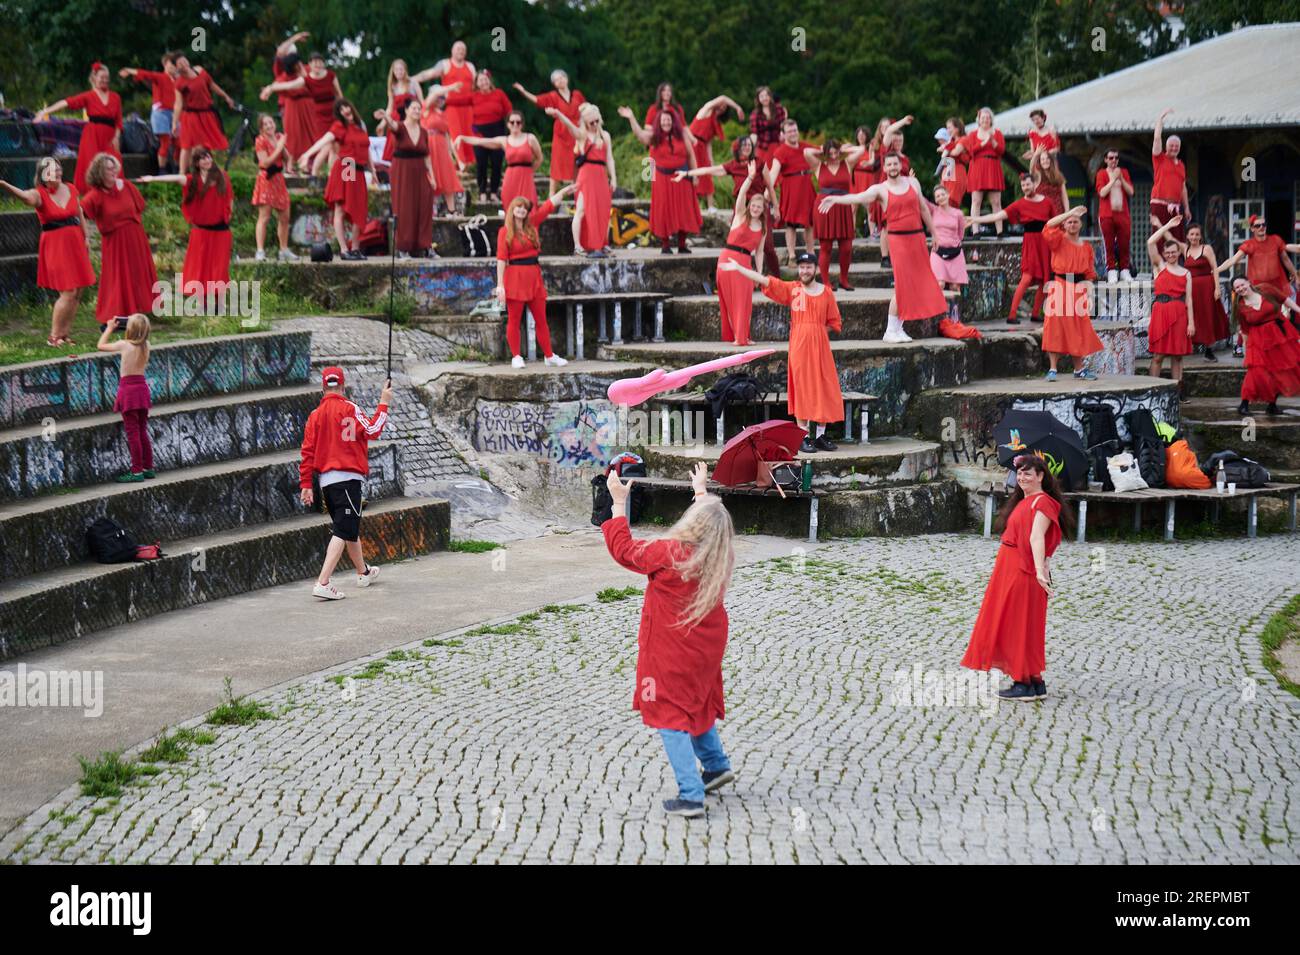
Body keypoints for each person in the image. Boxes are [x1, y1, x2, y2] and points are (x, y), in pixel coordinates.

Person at [602, 461, 737, 819]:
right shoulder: (718, 554)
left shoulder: (668, 553)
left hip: (672, 647)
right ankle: (716, 765)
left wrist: (617, 504)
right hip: (706, 645)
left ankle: (691, 794)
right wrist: (702, 492)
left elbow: (625, 552)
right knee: (697, 699)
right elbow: (709, 524)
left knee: (670, 712)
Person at [960, 452, 1074, 702]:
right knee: (1021, 624)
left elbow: (1037, 538)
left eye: (1028, 473)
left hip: (1022, 570)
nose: (1022, 477)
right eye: (1020, 473)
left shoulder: (1041, 502)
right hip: (1010, 568)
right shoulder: (1024, 501)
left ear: (1041, 476)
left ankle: (1023, 682)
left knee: (1019, 625)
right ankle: (1034, 683)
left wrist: (1040, 571)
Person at [720, 251, 843, 452]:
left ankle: (820, 436)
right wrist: (740, 268)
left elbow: (834, 322)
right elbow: (768, 281)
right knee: (803, 388)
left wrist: (815, 331)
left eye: (808, 267)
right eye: (801, 267)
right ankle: (803, 436)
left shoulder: (826, 292)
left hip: (821, 348)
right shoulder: (793, 290)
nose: (804, 271)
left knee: (824, 386)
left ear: (815, 269)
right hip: (799, 348)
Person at [820, 153, 947, 343]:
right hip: (898, 241)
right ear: (885, 168)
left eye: (895, 163)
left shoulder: (913, 183)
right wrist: (835, 200)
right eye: (889, 165)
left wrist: (935, 234)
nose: (893, 167)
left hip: (917, 237)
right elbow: (858, 197)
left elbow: (923, 209)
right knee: (903, 285)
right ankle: (890, 330)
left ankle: (898, 328)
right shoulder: (880, 189)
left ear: (900, 165)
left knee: (916, 284)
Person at [298, 366, 391, 600]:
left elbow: (307, 452)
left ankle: (363, 572)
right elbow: (373, 430)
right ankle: (323, 581)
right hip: (348, 480)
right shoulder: (351, 409)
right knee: (343, 529)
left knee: (349, 526)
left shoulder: (314, 416)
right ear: (342, 385)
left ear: (322, 387)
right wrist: (384, 402)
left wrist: (306, 485)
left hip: (326, 484)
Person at [1, 158, 94, 346]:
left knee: (78, 291)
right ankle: (53, 336)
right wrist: (3, 184)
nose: (58, 173)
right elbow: (26, 197)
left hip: (76, 242)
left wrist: (87, 237)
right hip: (56, 246)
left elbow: (79, 213)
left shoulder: (70, 188)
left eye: (59, 169)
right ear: (43, 174)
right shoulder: (39, 194)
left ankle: (64, 334)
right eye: (52, 170)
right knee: (68, 291)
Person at [137, 145, 233, 307]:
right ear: (196, 163)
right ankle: (203, 304)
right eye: (202, 158)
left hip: (221, 231)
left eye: (208, 156)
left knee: (220, 267)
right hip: (201, 232)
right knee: (201, 268)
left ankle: (220, 304)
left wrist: (229, 216)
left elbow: (230, 199)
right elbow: (174, 178)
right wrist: (152, 178)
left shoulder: (222, 176)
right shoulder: (192, 180)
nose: (207, 160)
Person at [496, 187, 576, 368]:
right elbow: (501, 259)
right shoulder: (504, 232)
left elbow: (549, 205)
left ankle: (549, 355)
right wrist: (500, 285)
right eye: (518, 206)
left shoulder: (532, 225)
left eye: (525, 207)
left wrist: (565, 191)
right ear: (512, 209)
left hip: (534, 277)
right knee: (514, 320)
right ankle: (516, 356)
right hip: (515, 278)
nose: (522, 210)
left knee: (541, 319)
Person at [679, 135, 780, 274]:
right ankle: (736, 274)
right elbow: (709, 170)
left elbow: (770, 187)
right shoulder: (733, 165)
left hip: (759, 208)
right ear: (738, 149)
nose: (747, 147)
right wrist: (687, 173)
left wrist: (776, 207)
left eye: (749, 145)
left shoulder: (759, 163)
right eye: (744, 145)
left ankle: (777, 278)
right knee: (735, 242)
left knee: (767, 246)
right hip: (742, 209)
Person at [80, 153, 157, 326]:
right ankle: (116, 316)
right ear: (100, 172)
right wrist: (84, 236)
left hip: (136, 238)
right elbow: (78, 212)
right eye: (108, 168)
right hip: (115, 242)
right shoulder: (96, 195)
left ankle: (137, 312)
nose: (113, 170)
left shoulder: (128, 187)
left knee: (137, 273)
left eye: (114, 166)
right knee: (117, 277)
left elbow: (140, 208)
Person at [618, 105, 701, 254]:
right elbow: (640, 135)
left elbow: (691, 155)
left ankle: (682, 245)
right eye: (663, 120)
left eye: (668, 120)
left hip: (682, 177)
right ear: (659, 122)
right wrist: (631, 118)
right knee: (664, 211)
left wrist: (694, 174)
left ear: (673, 121)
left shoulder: (681, 135)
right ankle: (665, 245)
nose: (666, 123)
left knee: (683, 210)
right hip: (662, 179)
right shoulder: (654, 137)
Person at [970, 173, 1049, 325]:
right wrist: (975, 219)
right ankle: (1012, 314)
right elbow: (998, 215)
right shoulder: (1020, 204)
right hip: (1031, 243)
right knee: (1027, 278)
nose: (1026, 187)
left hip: (1045, 243)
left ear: (1034, 185)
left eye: (1028, 184)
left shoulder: (1047, 202)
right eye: (1023, 185)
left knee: (1043, 281)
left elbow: (1054, 221)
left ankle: (1035, 313)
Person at [300, 99, 374, 259]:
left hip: (359, 170)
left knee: (359, 209)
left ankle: (355, 248)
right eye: (341, 110)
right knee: (342, 207)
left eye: (346, 106)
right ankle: (344, 250)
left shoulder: (360, 125)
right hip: (347, 166)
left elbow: (367, 150)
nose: (345, 110)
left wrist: (373, 172)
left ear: (351, 107)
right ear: (339, 114)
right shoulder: (339, 127)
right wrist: (307, 154)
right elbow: (324, 140)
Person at [36, 62, 122, 195]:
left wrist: (117, 136)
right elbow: (67, 102)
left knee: (113, 162)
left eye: (107, 77)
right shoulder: (88, 96)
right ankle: (91, 193)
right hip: (92, 134)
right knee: (90, 161)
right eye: (101, 77)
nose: (105, 80)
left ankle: (113, 190)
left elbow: (118, 121)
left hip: (110, 135)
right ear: (94, 78)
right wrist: (45, 111)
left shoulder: (116, 97)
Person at [1041, 205, 1102, 381]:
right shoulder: (1058, 239)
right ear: (1065, 224)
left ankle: (1079, 369)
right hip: (1060, 284)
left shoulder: (1087, 247)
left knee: (1079, 327)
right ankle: (1053, 369)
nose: (1073, 224)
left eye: (1075, 221)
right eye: (1069, 222)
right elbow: (1048, 225)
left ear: (1080, 224)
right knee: (1054, 326)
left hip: (1078, 288)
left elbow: (1089, 273)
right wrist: (1069, 213)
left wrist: (1089, 295)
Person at [549, 103, 616, 255]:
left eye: (596, 121)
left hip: (601, 174)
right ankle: (578, 245)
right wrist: (559, 114)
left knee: (604, 211)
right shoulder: (582, 135)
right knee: (581, 209)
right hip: (586, 175)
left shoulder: (605, 136)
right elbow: (570, 126)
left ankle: (603, 243)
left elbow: (610, 158)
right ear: (585, 122)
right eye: (591, 122)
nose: (594, 125)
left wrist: (614, 178)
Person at [713, 161, 767, 345]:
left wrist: (759, 274)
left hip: (745, 262)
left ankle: (743, 336)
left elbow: (759, 252)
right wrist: (750, 177)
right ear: (750, 205)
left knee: (745, 299)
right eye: (754, 205)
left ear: (762, 209)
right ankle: (738, 337)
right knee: (732, 299)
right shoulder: (740, 215)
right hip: (728, 258)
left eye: (759, 207)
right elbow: (742, 193)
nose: (755, 208)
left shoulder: (762, 228)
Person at [98, 314, 155, 483]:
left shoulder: (124, 345)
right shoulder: (147, 346)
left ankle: (136, 471)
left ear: (129, 329)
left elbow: (100, 345)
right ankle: (148, 468)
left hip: (128, 392)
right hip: (142, 390)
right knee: (142, 430)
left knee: (133, 433)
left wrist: (109, 328)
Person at [1232, 279, 1300, 417]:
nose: (1240, 288)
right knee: (1256, 372)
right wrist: (1246, 349)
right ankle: (1244, 404)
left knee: (1278, 371)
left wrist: (1299, 310)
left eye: (1242, 284)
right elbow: (1245, 330)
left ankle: (1272, 405)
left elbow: (1285, 299)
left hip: (1279, 336)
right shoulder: (1240, 307)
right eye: (1237, 287)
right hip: (1258, 340)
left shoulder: (1266, 289)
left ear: (1248, 282)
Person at [513, 71, 586, 198]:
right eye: (557, 80)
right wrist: (524, 92)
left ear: (567, 78)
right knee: (557, 162)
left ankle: (577, 194)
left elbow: (586, 109)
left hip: (575, 132)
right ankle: (552, 195)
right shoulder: (553, 96)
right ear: (554, 84)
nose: (560, 81)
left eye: (562, 77)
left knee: (576, 162)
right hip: (561, 134)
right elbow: (538, 100)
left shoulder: (577, 95)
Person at [378, 98, 435, 258]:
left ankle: (425, 246)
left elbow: (426, 155)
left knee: (424, 206)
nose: (417, 111)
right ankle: (403, 247)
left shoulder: (423, 132)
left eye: (419, 108)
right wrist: (386, 117)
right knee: (404, 208)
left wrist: (432, 176)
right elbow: (393, 126)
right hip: (402, 170)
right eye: (414, 108)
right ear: (407, 110)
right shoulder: (401, 127)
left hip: (420, 171)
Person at [806, 138, 866, 290]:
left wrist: (843, 150)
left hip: (843, 205)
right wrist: (822, 148)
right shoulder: (819, 165)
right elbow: (806, 152)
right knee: (825, 247)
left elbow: (861, 150)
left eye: (835, 152)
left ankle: (843, 279)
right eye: (830, 153)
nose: (833, 156)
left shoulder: (847, 163)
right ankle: (825, 281)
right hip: (825, 208)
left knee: (846, 247)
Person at [456, 110, 542, 209]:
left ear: (522, 124)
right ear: (508, 124)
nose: (515, 125)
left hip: (526, 177)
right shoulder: (504, 140)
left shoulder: (530, 138)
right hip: (511, 177)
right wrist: (462, 138)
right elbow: (481, 141)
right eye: (512, 122)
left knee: (529, 205)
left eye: (518, 122)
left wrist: (530, 171)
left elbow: (539, 158)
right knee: (511, 207)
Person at [1145, 216, 1195, 382]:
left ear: (1179, 252)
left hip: (1180, 314)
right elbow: (1151, 243)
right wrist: (1166, 225)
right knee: (1158, 356)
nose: (1171, 255)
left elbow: (1189, 300)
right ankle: (1152, 389)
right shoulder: (1159, 266)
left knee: (1178, 356)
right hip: (1161, 312)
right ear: (1164, 254)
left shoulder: (1186, 273)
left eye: (1174, 252)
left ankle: (1178, 391)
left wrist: (1191, 323)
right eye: (1167, 253)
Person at [259, 39, 316, 177]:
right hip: (291, 107)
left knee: (313, 135)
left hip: (309, 106)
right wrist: (295, 37)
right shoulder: (282, 72)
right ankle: (290, 166)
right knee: (292, 137)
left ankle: (309, 165)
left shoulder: (307, 69)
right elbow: (280, 53)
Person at [414, 41, 476, 163]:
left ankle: (472, 166)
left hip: (469, 108)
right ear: (452, 51)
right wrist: (411, 80)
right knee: (455, 135)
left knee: (471, 136)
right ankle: (459, 164)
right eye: (458, 48)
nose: (461, 51)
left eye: (463, 49)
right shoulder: (445, 64)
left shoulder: (470, 66)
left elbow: (476, 86)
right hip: (452, 107)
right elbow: (429, 74)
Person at [172, 54, 235, 174]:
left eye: (184, 61)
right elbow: (178, 104)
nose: (183, 65)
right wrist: (174, 123)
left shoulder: (200, 71)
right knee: (188, 145)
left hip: (206, 114)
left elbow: (212, 85)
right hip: (190, 116)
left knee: (206, 144)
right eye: (180, 64)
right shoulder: (179, 83)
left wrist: (226, 97)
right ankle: (183, 173)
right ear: (177, 67)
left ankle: (205, 171)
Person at [1216, 215, 1299, 301]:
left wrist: (1296, 276)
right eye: (1257, 225)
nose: (1261, 227)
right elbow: (1233, 260)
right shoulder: (1249, 244)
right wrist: (1216, 270)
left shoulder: (1275, 240)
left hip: (1277, 284)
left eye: (1264, 225)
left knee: (1281, 311)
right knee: (1262, 311)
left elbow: (1286, 259)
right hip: (1258, 286)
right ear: (1252, 228)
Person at [248, 113, 296, 262]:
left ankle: (284, 249)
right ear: (261, 128)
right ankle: (260, 251)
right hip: (266, 179)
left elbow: (288, 157)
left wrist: (288, 166)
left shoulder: (279, 137)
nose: (269, 126)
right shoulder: (260, 141)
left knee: (285, 216)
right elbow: (265, 162)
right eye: (266, 124)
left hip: (278, 179)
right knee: (265, 216)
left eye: (271, 123)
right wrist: (279, 147)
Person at [769, 119, 817, 265]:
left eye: (795, 130)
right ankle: (791, 256)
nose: (793, 133)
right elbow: (773, 173)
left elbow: (824, 152)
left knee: (810, 223)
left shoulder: (806, 147)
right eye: (789, 131)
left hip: (806, 186)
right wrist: (768, 192)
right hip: (791, 188)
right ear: (783, 134)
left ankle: (811, 253)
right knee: (791, 224)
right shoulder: (780, 151)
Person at [120, 54, 179, 172]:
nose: (174, 67)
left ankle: (176, 168)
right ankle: (162, 170)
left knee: (178, 142)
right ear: (165, 64)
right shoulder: (160, 77)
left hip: (175, 113)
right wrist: (130, 71)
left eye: (175, 64)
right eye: (171, 64)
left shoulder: (179, 80)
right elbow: (147, 74)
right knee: (165, 141)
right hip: (161, 113)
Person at [687, 95, 744, 207]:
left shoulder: (715, 123)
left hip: (702, 147)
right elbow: (723, 97)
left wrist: (711, 160)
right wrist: (737, 107)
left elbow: (708, 143)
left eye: (725, 107)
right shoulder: (706, 110)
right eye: (721, 105)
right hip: (691, 143)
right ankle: (693, 205)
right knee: (691, 174)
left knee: (707, 172)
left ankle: (710, 206)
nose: (722, 107)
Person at [1184, 223, 1228, 361]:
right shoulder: (1185, 249)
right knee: (1194, 315)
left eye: (1197, 234)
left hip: (1207, 286)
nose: (1194, 237)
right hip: (1192, 288)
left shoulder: (1206, 248)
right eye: (1192, 234)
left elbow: (1214, 267)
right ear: (1187, 236)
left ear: (1201, 236)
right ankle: (1193, 344)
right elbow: (1167, 239)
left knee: (1208, 316)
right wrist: (1162, 224)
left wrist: (1216, 288)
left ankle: (1209, 350)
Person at [421, 86, 467, 215]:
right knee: (430, 176)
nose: (441, 99)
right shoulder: (426, 110)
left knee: (448, 178)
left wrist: (457, 158)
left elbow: (448, 137)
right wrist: (451, 87)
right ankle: (430, 209)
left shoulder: (444, 114)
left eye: (443, 98)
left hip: (441, 147)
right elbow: (431, 97)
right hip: (429, 144)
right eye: (439, 97)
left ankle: (452, 210)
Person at [469, 70, 512, 204]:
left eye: (485, 79)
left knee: (496, 163)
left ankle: (493, 192)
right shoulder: (473, 96)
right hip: (480, 133)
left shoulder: (499, 93)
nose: (484, 82)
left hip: (497, 131)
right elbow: (464, 112)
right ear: (476, 83)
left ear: (490, 80)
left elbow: (509, 110)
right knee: (481, 163)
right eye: (480, 80)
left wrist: (511, 129)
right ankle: (482, 192)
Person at [1151, 107, 1190, 244]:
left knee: (1177, 240)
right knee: (1160, 238)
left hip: (1176, 206)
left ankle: (1176, 265)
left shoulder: (1181, 165)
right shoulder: (1160, 159)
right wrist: (1160, 119)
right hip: (1160, 203)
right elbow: (1156, 139)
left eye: (1176, 146)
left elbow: (1183, 187)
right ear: (1166, 147)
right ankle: (1159, 265)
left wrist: (1186, 208)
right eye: (1171, 146)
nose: (1174, 148)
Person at [1094, 148, 1134, 282]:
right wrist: (1113, 180)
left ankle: (1124, 270)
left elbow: (1131, 191)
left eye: (1116, 158)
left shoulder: (1124, 172)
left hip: (1122, 214)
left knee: (1124, 243)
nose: (1114, 160)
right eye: (1111, 158)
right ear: (1105, 159)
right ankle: (1111, 270)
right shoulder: (1101, 173)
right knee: (1108, 244)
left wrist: (1121, 178)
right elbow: (1102, 193)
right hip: (1107, 214)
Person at [965, 107, 1005, 235]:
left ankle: (1000, 230)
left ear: (991, 119)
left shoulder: (997, 133)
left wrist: (993, 142)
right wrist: (984, 142)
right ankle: (975, 230)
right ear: (979, 119)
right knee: (976, 201)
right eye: (983, 118)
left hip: (993, 166)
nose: (985, 120)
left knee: (996, 201)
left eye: (988, 118)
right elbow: (970, 151)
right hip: (978, 168)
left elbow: (1002, 151)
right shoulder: (972, 134)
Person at [379, 59, 423, 169]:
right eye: (396, 70)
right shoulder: (392, 86)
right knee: (396, 147)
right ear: (393, 71)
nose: (399, 72)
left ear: (405, 70)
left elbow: (422, 102)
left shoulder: (412, 83)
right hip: (396, 120)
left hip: (410, 119)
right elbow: (390, 107)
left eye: (401, 69)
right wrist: (382, 123)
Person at [926, 185, 969, 293]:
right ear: (935, 199)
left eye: (942, 194)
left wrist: (953, 243)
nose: (941, 197)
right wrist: (912, 183)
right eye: (938, 196)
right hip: (938, 251)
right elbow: (922, 200)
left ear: (948, 195)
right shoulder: (933, 210)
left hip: (955, 252)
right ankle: (938, 309)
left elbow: (961, 233)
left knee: (955, 287)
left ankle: (955, 310)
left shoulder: (958, 213)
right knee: (939, 284)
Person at [748, 86, 786, 165]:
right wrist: (750, 147)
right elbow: (754, 133)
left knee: (780, 169)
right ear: (758, 99)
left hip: (778, 144)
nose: (765, 98)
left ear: (770, 96)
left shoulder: (779, 109)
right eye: (762, 96)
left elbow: (784, 125)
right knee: (765, 170)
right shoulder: (755, 114)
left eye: (766, 95)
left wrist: (783, 133)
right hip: (763, 147)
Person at [936, 117, 969, 210]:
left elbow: (955, 153)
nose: (947, 130)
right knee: (943, 201)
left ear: (957, 129)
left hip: (956, 171)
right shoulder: (951, 142)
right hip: (948, 171)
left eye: (949, 128)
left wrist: (945, 149)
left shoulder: (963, 140)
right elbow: (946, 160)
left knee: (951, 202)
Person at [1030, 146, 1068, 219]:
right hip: (1041, 213)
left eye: (1047, 158)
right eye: (1042, 159)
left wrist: (1067, 213)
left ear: (1051, 160)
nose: (1045, 161)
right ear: (1040, 162)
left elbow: (1064, 197)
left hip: (1058, 213)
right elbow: (1031, 169)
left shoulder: (1058, 175)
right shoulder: (1038, 175)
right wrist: (1035, 155)